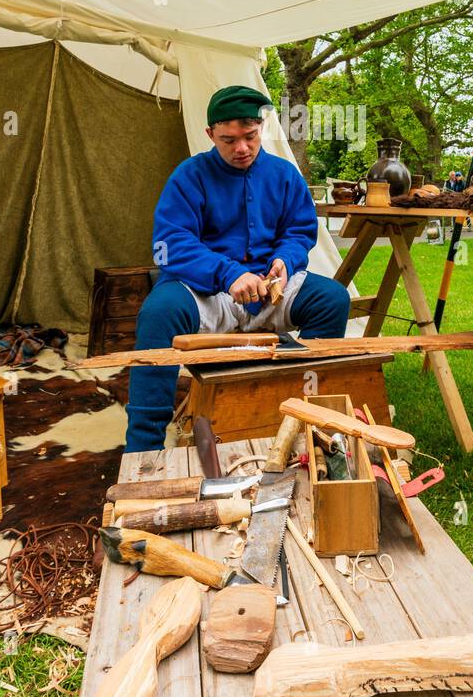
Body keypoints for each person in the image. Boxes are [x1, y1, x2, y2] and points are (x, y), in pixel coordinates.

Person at [125, 84, 350, 455]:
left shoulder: (284, 175)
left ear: (261, 127)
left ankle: (304, 413)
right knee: (158, 312)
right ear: (210, 134)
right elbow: (169, 246)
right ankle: (143, 447)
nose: (241, 148)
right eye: (229, 140)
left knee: (332, 299)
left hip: (269, 289)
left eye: (249, 136)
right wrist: (227, 274)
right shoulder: (188, 176)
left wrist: (285, 261)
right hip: (208, 292)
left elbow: (299, 231)